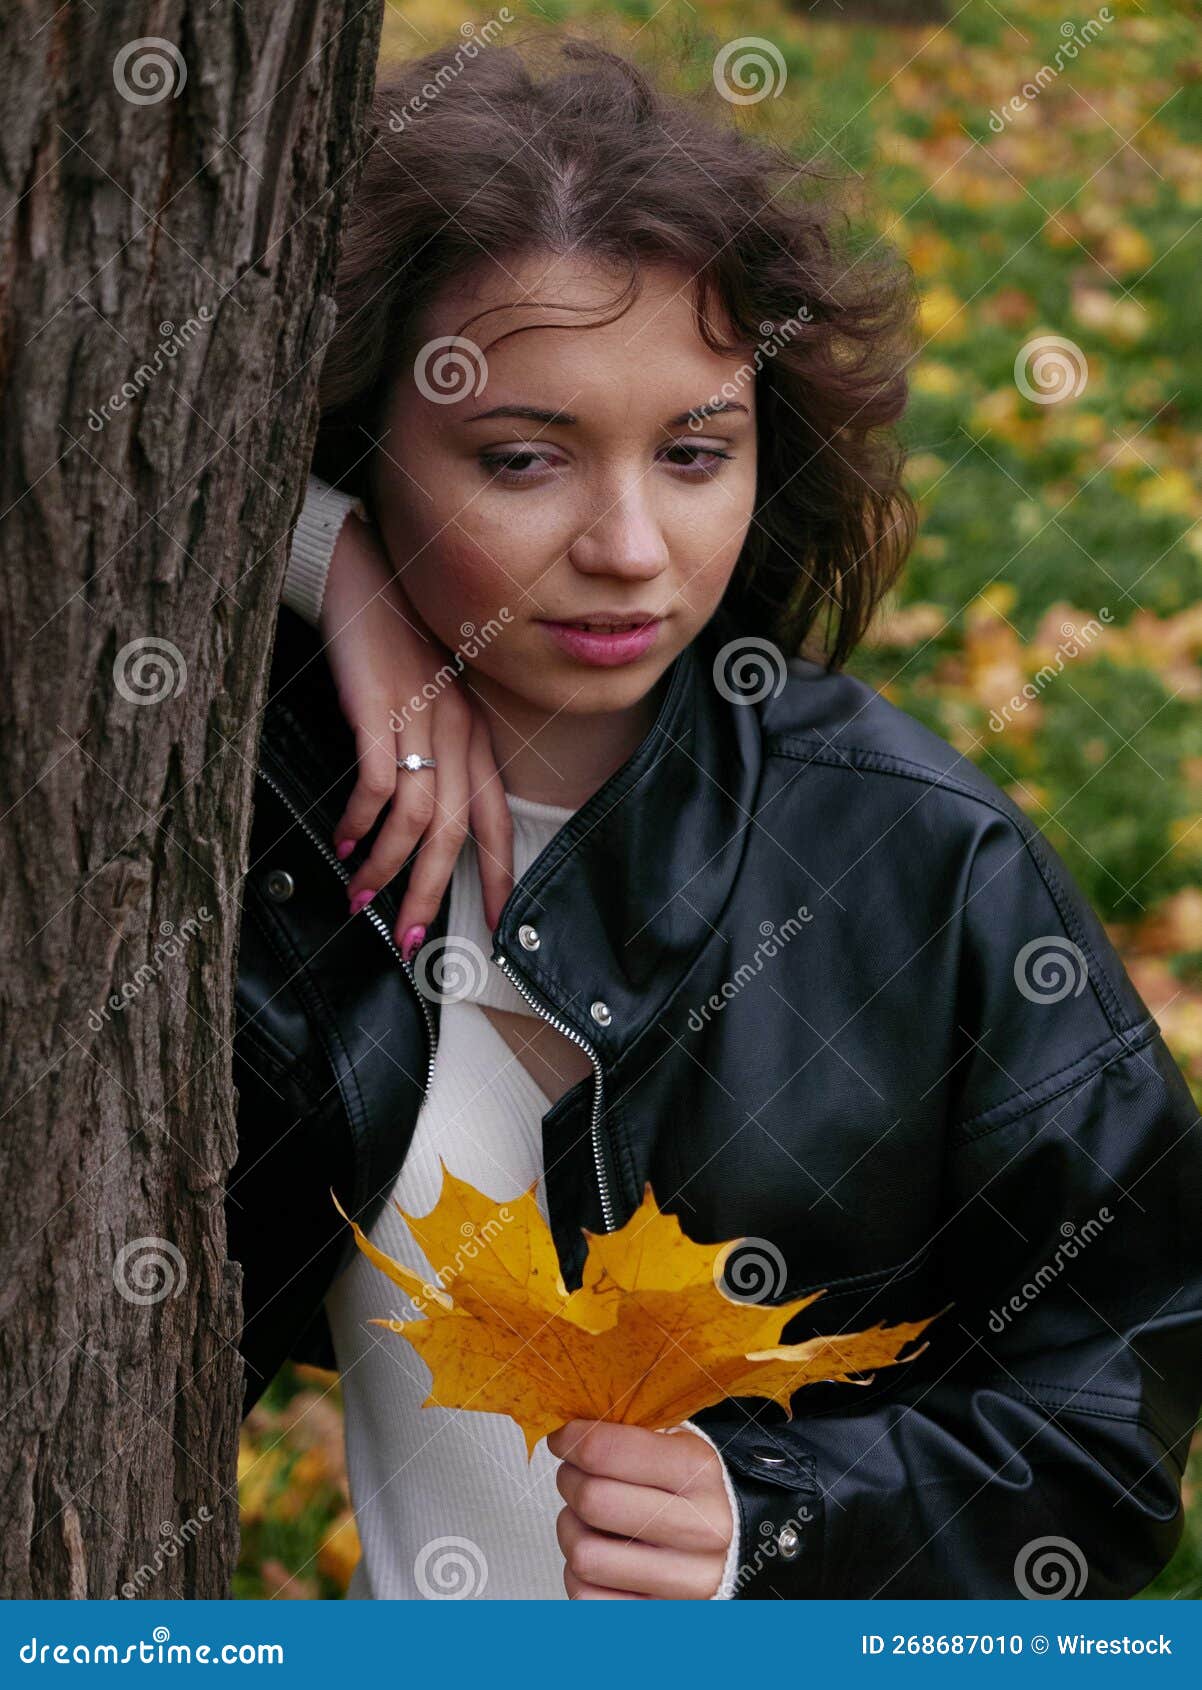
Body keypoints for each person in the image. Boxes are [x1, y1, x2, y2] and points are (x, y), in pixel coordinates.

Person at [231, 33, 1202, 1601]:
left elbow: (1111, 1427)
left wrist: (780, 1519)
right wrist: (319, 559)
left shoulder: (919, 865)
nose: (628, 545)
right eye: (521, 458)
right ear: (363, 436)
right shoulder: (244, 813)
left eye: (694, 451)